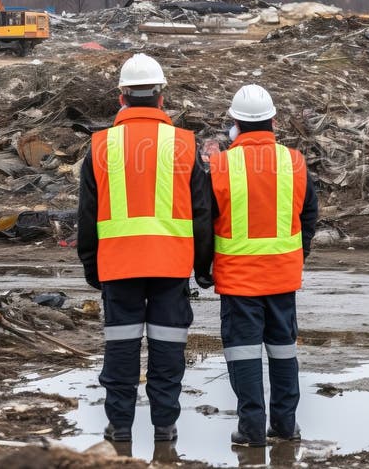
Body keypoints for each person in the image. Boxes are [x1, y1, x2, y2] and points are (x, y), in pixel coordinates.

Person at [77, 53, 213, 444]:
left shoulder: (100, 145)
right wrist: (203, 267)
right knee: (168, 345)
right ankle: (164, 425)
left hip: (118, 265)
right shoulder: (186, 144)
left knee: (121, 346)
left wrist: (91, 264)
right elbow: (202, 214)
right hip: (171, 265)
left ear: (121, 96)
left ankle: (120, 425)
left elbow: (87, 214)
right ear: (161, 97)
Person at [196, 84, 318, 447]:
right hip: (282, 277)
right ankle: (285, 426)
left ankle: (251, 430)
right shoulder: (293, 161)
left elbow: (204, 222)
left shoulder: (219, 165)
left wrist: (203, 268)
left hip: (238, 281)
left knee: (244, 353)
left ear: (235, 123)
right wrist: (299, 254)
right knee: (283, 351)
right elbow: (309, 215)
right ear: (273, 122)